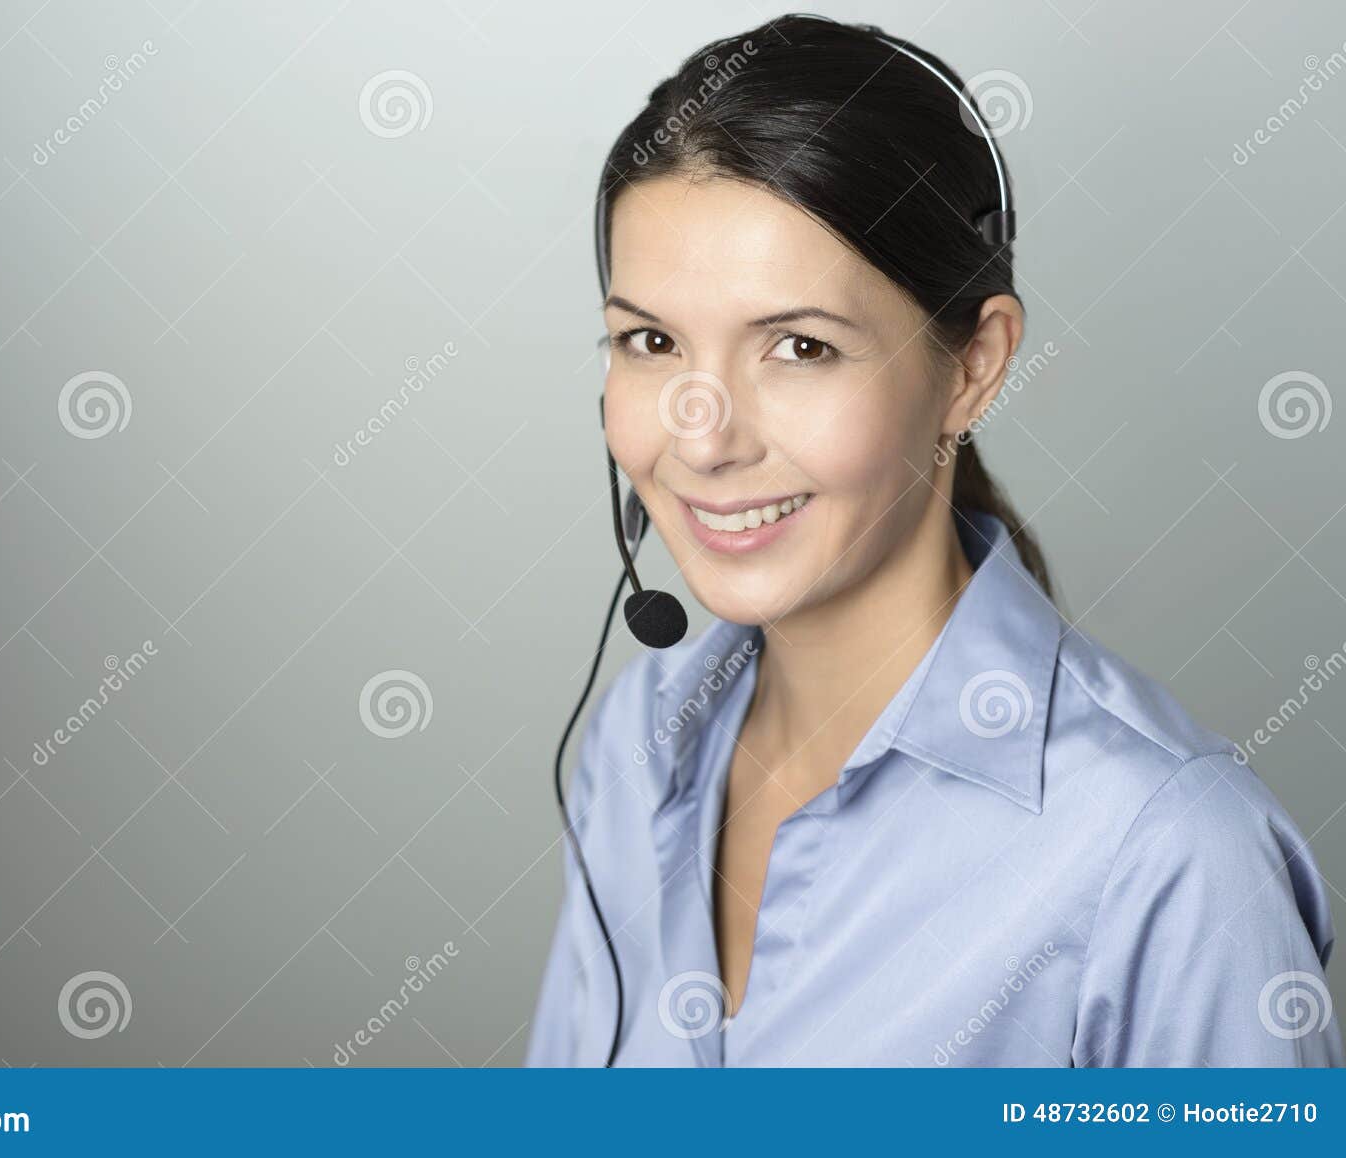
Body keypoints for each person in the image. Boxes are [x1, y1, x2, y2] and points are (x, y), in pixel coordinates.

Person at [525, 13, 1341, 1067]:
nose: (702, 436)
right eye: (651, 341)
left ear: (973, 366)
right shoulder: (637, 744)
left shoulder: (1168, 852)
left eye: (800, 347)